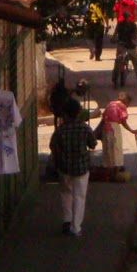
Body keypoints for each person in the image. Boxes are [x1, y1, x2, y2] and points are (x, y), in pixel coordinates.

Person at [48, 99, 97, 236]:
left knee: (66, 192)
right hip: (81, 167)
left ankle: (67, 220)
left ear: (65, 114)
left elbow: (53, 145)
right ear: (78, 113)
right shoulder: (84, 128)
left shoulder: (61, 130)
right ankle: (76, 228)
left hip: (65, 167)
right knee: (79, 196)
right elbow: (93, 144)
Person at [99, 91, 137, 179]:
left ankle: (108, 173)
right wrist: (132, 130)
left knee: (107, 150)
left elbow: (104, 116)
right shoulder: (122, 106)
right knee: (116, 150)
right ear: (126, 101)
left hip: (105, 129)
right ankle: (115, 173)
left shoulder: (110, 104)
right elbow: (123, 121)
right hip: (114, 128)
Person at [112, 0, 137, 88]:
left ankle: (115, 79)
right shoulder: (132, 3)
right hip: (131, 45)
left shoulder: (118, 2)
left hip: (121, 43)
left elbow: (114, 14)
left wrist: (113, 39)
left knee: (117, 61)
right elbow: (135, 15)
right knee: (136, 62)